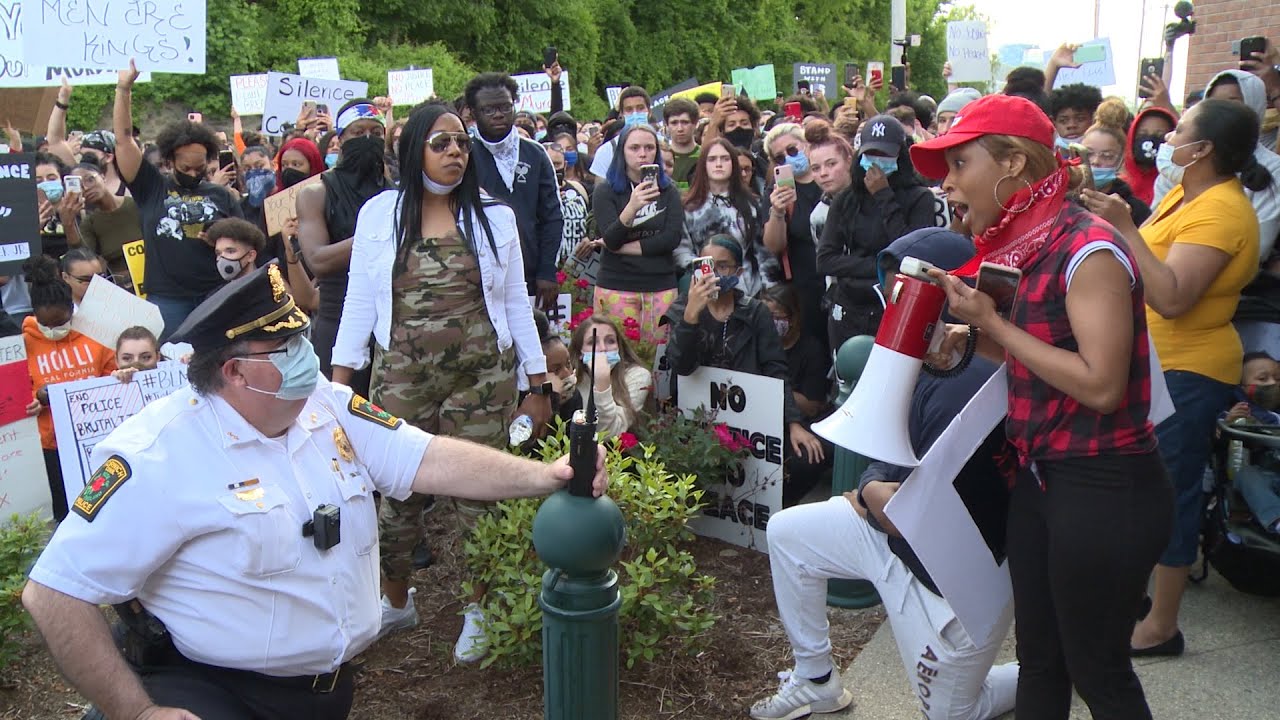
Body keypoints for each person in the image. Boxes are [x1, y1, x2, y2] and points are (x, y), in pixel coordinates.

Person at [21, 262, 606, 720]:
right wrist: (137, 711)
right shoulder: (157, 454)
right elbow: (54, 593)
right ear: (234, 371)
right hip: (212, 689)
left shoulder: (323, 403)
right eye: (287, 351)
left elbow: (423, 456)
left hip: (325, 692)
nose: (309, 359)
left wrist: (543, 474)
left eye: (302, 340)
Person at [913, 93, 1172, 719]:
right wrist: (962, 343)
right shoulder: (1018, 246)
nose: (947, 185)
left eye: (958, 164)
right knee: (1041, 662)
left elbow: (1102, 385)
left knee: (1098, 672)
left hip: (1107, 487)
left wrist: (994, 328)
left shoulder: (1089, 248)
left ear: (1011, 165)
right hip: (1041, 479)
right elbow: (1035, 359)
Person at [749, 229, 1019, 720]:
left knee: (954, 713)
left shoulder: (988, 377)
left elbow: (919, 511)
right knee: (789, 532)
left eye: (910, 294)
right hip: (891, 537)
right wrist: (874, 488)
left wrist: (877, 495)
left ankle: (1048, 667)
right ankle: (815, 681)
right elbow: (883, 456)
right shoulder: (921, 353)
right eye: (896, 292)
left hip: (948, 579)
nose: (897, 307)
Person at [331, 103, 551, 660]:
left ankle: (480, 606)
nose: (455, 152)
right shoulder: (381, 215)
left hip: (481, 378)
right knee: (397, 494)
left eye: (461, 142)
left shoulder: (494, 217)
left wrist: (538, 385)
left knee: (480, 495)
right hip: (401, 375)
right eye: (441, 143)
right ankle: (395, 600)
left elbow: (516, 304)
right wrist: (337, 388)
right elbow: (358, 300)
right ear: (413, 152)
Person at [1080, 98, 1273, 659]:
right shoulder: (1186, 195)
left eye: (1180, 130)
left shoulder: (1222, 211)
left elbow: (1171, 295)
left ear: (1203, 149)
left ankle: (1162, 625)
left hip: (1189, 369)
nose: (1168, 137)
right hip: (1155, 365)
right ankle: (1136, 602)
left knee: (1171, 493)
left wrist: (1123, 226)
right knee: (1141, 489)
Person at [664, 237, 825, 507]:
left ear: (738, 272)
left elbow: (776, 368)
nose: (715, 273)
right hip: (699, 419)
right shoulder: (683, 307)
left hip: (751, 422)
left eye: (723, 266)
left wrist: (793, 422)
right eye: (708, 266)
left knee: (808, 457)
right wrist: (691, 317)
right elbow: (680, 366)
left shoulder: (755, 311)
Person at [113, 60, 243, 337]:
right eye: (186, 169)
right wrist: (123, 90)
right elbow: (124, 141)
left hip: (215, 294)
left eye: (200, 168)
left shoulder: (222, 196)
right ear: (170, 160)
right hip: (168, 300)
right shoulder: (151, 187)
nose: (193, 174)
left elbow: (245, 244)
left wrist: (221, 241)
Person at [818, 115, 940, 353]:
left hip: (894, 307)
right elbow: (825, 259)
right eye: (872, 155)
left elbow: (910, 255)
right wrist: (882, 267)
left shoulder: (919, 198)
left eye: (885, 156)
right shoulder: (846, 199)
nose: (877, 162)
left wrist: (884, 196)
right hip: (851, 308)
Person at [295, 98, 391, 388]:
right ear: (340, 139)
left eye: (376, 133)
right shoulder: (316, 193)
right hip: (337, 318)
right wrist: (378, 234)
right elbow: (318, 260)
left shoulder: (398, 191)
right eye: (358, 131)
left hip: (393, 323)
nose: (367, 139)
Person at [22, 256, 117, 522]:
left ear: (71, 311)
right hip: (50, 446)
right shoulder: (22, 343)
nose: (54, 330)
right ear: (34, 314)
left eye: (61, 324)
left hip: (96, 439)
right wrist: (34, 398)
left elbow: (112, 373)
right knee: (64, 514)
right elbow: (14, 394)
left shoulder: (95, 333)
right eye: (47, 325)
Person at [1152, 70, 1280, 261]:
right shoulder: (1177, 170)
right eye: (1212, 103)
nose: (1220, 111)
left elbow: (1257, 249)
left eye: (1231, 102)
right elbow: (1153, 231)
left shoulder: (1271, 170)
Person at [464, 73, 565, 309]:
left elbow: (552, 217)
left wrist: (547, 271)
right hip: (477, 277)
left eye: (505, 107)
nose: (498, 114)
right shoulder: (463, 153)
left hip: (529, 274)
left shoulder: (536, 153)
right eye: (488, 110)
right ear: (473, 112)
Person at [591, 123, 683, 346]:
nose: (643, 154)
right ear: (622, 151)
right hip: (617, 283)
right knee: (619, 357)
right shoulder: (605, 191)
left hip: (660, 284)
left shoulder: (669, 190)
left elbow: (671, 238)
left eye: (649, 148)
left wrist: (623, 248)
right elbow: (611, 236)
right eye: (634, 148)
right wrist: (632, 207)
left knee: (658, 360)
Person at [760, 123, 826, 352]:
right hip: (805, 288)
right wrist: (777, 211)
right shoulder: (777, 192)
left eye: (792, 150)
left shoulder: (829, 179)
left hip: (839, 280)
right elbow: (774, 245)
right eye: (779, 158)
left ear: (807, 145)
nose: (788, 158)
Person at [678, 139, 770, 296]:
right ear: (703, 165)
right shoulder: (688, 206)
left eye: (725, 158)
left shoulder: (752, 204)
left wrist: (769, 291)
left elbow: (763, 253)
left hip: (748, 290)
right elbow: (682, 251)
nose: (718, 164)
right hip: (704, 287)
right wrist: (706, 274)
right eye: (712, 159)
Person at [567, 315, 651, 438]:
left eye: (610, 341)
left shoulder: (638, 376)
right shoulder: (573, 379)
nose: (602, 349)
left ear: (619, 346)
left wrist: (602, 384)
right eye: (592, 342)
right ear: (580, 352)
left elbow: (607, 434)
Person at [1224, 352, 1280, 533]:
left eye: (1277, 378)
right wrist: (1229, 421)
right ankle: (1277, 520)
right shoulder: (1239, 411)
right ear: (1241, 386)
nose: (1272, 383)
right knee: (1246, 476)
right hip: (1263, 473)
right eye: (1263, 379)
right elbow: (1219, 433)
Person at [74, 159, 142, 287]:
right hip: (125, 288)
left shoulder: (136, 205)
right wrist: (68, 222)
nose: (86, 188)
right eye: (79, 185)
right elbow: (82, 258)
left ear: (103, 177)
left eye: (90, 179)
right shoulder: (90, 223)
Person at [1081, 124, 1150, 226]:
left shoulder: (1137, 209)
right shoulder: (1063, 200)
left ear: (1121, 161)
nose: (1095, 161)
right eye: (1088, 154)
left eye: (1107, 156)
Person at [545, 143, 593, 269]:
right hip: (548, 268)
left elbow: (593, 219)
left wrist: (591, 238)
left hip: (577, 267)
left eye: (556, 164)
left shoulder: (579, 189)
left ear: (565, 165)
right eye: (547, 163)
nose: (552, 168)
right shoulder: (530, 195)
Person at [589, 86, 652, 180]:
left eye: (640, 108)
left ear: (649, 112)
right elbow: (600, 191)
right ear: (622, 115)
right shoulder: (606, 152)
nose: (635, 114)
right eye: (629, 109)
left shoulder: (664, 144)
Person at [35, 153, 81, 259]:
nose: (46, 183)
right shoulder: (24, 216)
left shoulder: (78, 211)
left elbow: (83, 251)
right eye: (38, 181)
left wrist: (69, 223)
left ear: (62, 180)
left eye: (52, 179)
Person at [1048, 83, 1102, 149]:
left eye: (1080, 119)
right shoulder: (1047, 156)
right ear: (1053, 123)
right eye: (1063, 121)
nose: (1071, 125)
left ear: (1094, 120)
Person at [663, 98, 701, 186]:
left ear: (695, 124)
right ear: (667, 126)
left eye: (685, 122)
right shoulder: (661, 157)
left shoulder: (706, 155)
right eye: (674, 123)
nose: (680, 129)